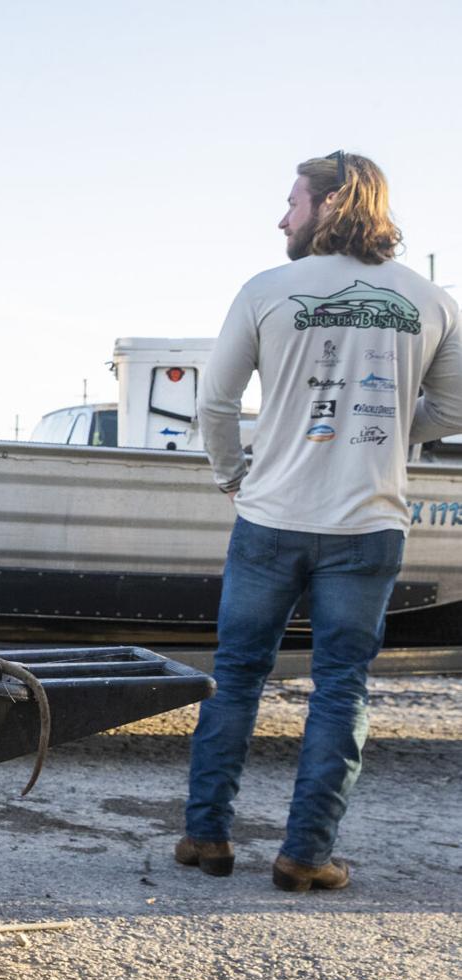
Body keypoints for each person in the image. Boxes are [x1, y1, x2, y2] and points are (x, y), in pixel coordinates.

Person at [180, 151, 462, 891]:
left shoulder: (268, 290)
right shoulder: (431, 301)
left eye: (293, 202)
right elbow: (454, 411)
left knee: (237, 676)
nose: (283, 217)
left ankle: (207, 837)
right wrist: (390, 423)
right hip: (368, 525)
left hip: (270, 517)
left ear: (332, 203)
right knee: (341, 685)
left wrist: (231, 477)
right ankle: (305, 853)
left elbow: (214, 404)